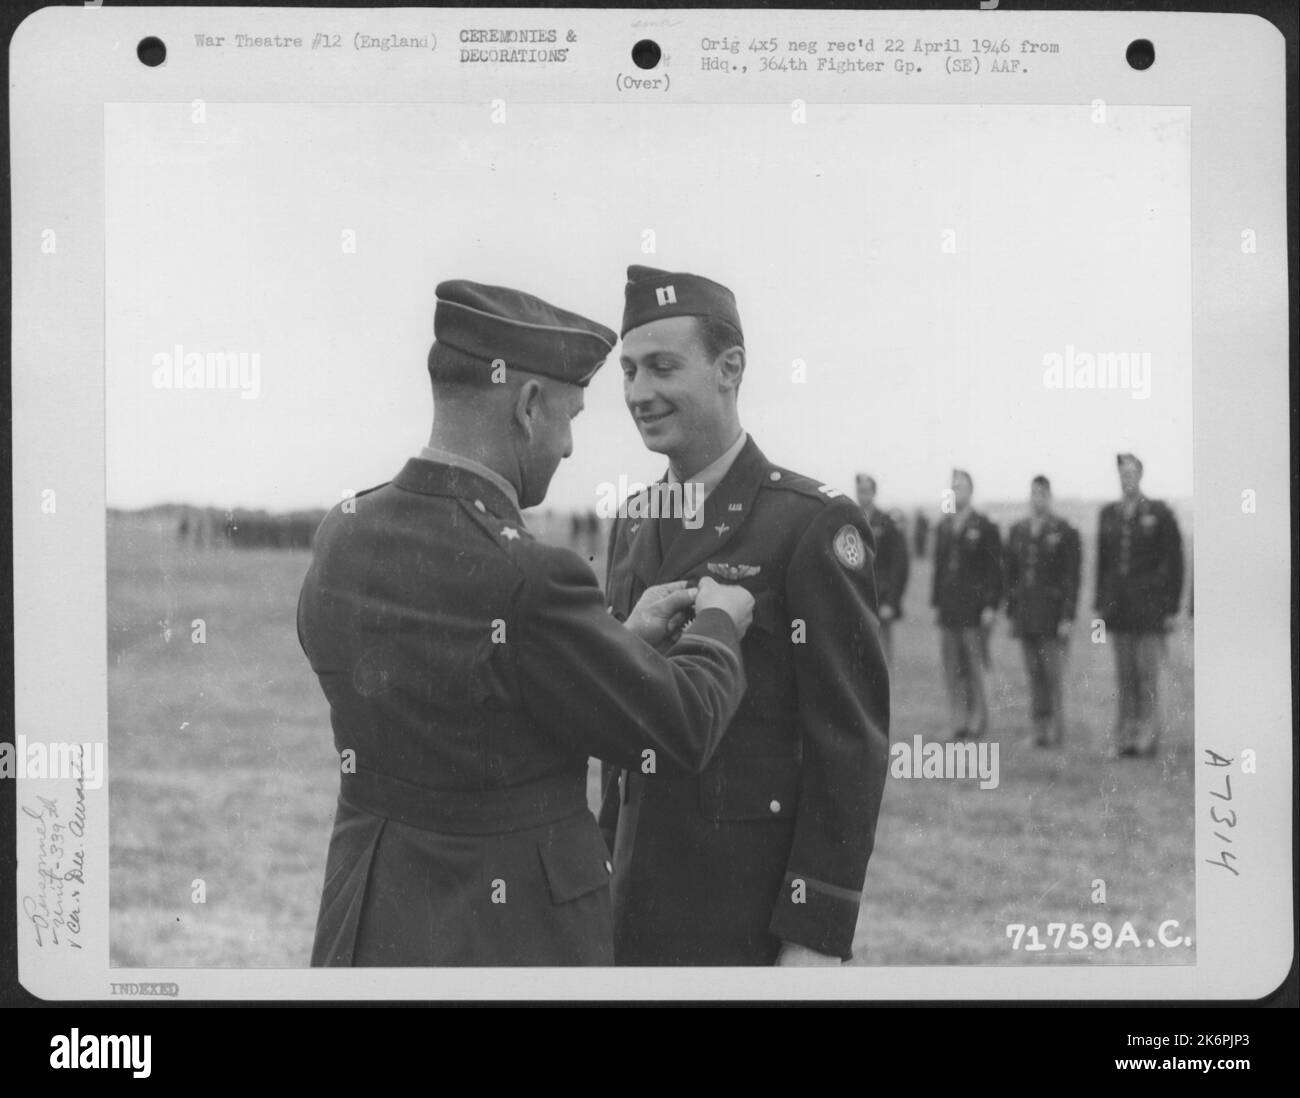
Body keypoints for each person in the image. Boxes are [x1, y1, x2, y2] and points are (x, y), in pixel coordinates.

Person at [298, 279, 754, 966]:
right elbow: (680, 725)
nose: (569, 448)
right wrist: (717, 626)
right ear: (529, 406)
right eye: (569, 417)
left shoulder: (344, 532)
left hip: (372, 917)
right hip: (502, 935)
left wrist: (615, 645)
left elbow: (467, 691)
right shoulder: (531, 577)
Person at [599, 265, 890, 966]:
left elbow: (849, 745)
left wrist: (814, 931)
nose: (640, 393)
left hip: (742, 910)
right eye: (630, 371)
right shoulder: (635, 521)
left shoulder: (808, 524)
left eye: (663, 368)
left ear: (730, 369)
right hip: (631, 896)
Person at [1094, 453, 1184, 758]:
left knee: (1146, 675)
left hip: (1149, 612)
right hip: (1118, 611)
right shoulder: (1109, 514)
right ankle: (1125, 738)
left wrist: (1170, 609)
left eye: (1130, 472)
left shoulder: (1159, 513)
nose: (1125, 478)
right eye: (1121, 473)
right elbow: (1103, 566)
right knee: (1125, 677)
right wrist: (1100, 605)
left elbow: (1175, 563)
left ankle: (1147, 738)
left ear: (1141, 475)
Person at [1004, 476, 1081, 746]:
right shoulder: (1019, 530)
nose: (1038, 498)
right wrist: (1012, 613)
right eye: (1033, 493)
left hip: (1052, 617)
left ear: (1050, 497)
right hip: (1026, 616)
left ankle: (1057, 733)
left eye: (1042, 494)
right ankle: (1038, 731)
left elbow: (1072, 578)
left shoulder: (1064, 531)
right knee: (1034, 676)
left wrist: (1068, 617)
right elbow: (1011, 576)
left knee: (1053, 677)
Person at [931, 469, 1002, 740]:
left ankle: (977, 721)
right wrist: (937, 602)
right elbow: (939, 568)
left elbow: (995, 570)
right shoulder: (943, 526)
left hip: (975, 611)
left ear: (971, 491)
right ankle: (957, 721)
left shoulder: (984, 526)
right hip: (949, 610)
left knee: (975, 668)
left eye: (960, 487)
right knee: (952, 668)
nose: (955, 492)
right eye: (952, 487)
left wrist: (991, 605)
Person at [854, 474, 910, 663]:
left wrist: (892, 602)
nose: (863, 495)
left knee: (882, 657)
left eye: (867, 491)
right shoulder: (849, 520)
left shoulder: (886, 522)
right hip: (856, 596)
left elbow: (898, 565)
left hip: (881, 597)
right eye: (860, 491)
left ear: (874, 492)